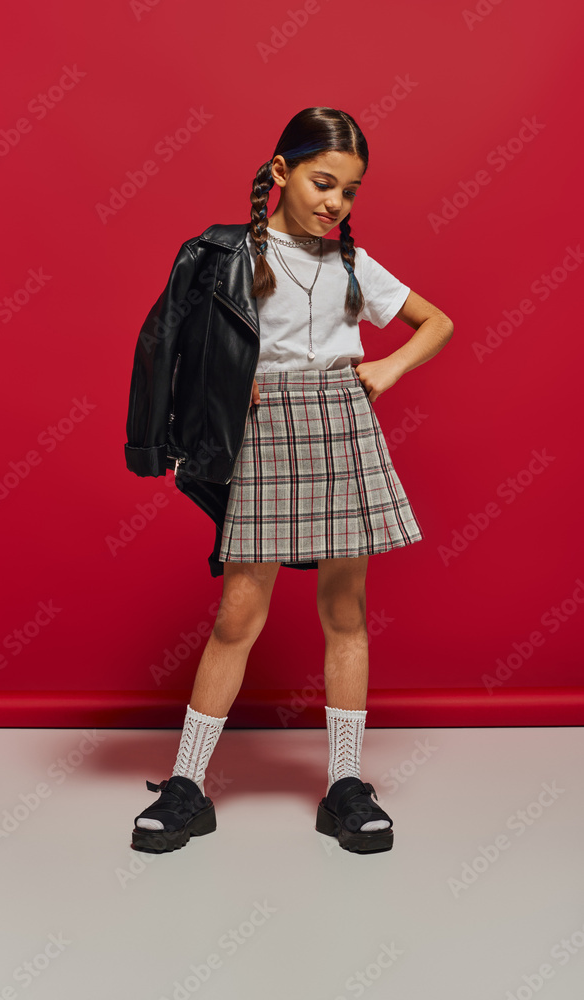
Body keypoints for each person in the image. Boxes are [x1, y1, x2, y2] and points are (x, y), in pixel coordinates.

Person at [126, 107, 453, 856]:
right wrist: (211, 396)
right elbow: (171, 344)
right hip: (264, 434)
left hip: (341, 423)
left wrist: (386, 367)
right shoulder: (228, 255)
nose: (334, 201)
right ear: (280, 173)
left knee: (345, 610)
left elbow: (436, 322)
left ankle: (344, 787)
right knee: (238, 615)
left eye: (350, 189)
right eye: (320, 180)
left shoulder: (351, 266)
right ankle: (186, 787)